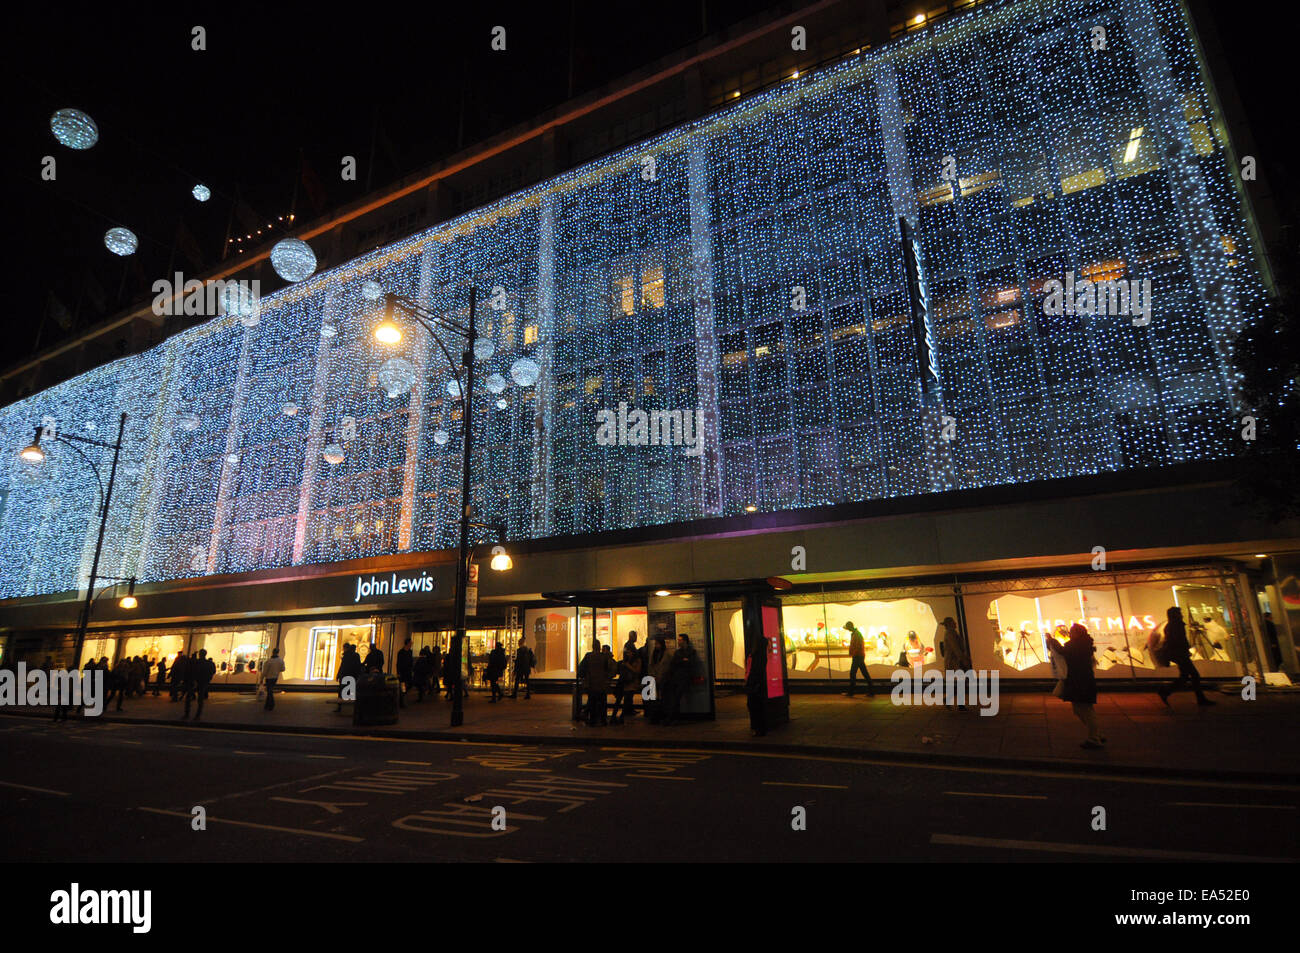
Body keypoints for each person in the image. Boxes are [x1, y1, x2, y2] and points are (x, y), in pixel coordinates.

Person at [1056, 623, 1105, 749]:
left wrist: (1052, 641)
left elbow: (1063, 652)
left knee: (1084, 710)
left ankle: (1094, 738)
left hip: (1079, 681)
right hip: (1084, 680)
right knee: (1083, 709)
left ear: (1077, 633)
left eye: (1072, 631)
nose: (1070, 634)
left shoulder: (1076, 645)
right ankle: (1096, 734)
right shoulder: (1084, 644)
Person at [1158, 606, 1215, 707]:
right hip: (1180, 654)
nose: (1182, 615)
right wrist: (1186, 650)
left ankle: (1166, 691)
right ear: (1176, 615)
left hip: (1178, 654)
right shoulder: (1177, 625)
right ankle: (1200, 699)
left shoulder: (1170, 625)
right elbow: (1179, 640)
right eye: (1180, 613)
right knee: (1194, 675)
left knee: (1185, 676)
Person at [578, 639, 615, 726]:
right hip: (602, 684)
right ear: (599, 647)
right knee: (602, 702)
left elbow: (581, 669)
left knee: (592, 702)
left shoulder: (588, 656)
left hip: (591, 684)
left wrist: (584, 678)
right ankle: (603, 720)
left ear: (592, 647)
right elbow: (608, 669)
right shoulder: (604, 657)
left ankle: (592, 720)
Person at [937, 617, 970, 710]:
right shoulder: (950, 633)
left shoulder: (949, 633)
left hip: (952, 662)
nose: (955, 623)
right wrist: (963, 659)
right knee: (960, 682)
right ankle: (959, 704)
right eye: (953, 622)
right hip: (953, 662)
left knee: (958, 683)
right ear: (950, 624)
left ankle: (952, 701)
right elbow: (955, 648)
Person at [664, 634, 696, 726]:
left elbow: (690, 663)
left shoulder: (690, 652)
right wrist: (683, 660)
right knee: (674, 698)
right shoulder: (679, 652)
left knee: (676, 698)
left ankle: (672, 718)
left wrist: (681, 661)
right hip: (677, 678)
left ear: (685, 641)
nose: (678, 642)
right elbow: (674, 663)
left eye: (680, 640)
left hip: (683, 678)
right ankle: (672, 718)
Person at [612, 643, 643, 725]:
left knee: (626, 701)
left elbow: (637, 671)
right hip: (624, 682)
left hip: (631, 683)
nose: (628, 654)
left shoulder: (636, 660)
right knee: (619, 700)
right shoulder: (626, 660)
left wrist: (628, 666)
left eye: (629, 652)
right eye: (627, 652)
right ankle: (614, 717)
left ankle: (621, 717)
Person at [183, 648, 216, 722]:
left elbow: (189, 670)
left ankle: (187, 714)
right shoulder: (209, 663)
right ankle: (197, 715)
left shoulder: (195, 662)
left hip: (194, 682)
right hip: (202, 682)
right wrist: (207, 679)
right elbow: (213, 671)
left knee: (189, 698)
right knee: (200, 700)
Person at [745, 635, 769, 736]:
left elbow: (754, 671)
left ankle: (758, 728)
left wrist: (751, 682)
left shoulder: (757, 656)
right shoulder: (761, 655)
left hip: (754, 684)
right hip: (756, 683)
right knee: (756, 706)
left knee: (754, 706)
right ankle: (759, 728)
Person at [843, 620, 873, 698]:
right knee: (864, 673)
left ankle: (851, 692)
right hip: (858, 655)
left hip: (857, 656)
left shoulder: (856, 635)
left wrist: (853, 652)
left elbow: (857, 646)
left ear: (850, 627)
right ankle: (871, 691)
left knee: (853, 673)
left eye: (847, 628)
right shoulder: (856, 634)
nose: (847, 630)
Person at [645, 637, 671, 724]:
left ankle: (661, 716)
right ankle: (655, 717)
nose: (656, 646)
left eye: (658, 644)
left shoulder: (666, 654)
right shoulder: (654, 654)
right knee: (654, 699)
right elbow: (651, 666)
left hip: (662, 679)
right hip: (654, 679)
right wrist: (653, 676)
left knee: (661, 698)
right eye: (656, 644)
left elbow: (666, 668)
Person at [336, 643, 362, 712]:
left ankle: (340, 707)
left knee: (342, 691)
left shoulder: (346, 655)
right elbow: (358, 666)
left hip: (345, 675)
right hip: (352, 675)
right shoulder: (356, 655)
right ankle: (350, 708)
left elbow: (342, 666)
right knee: (351, 692)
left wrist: (338, 674)